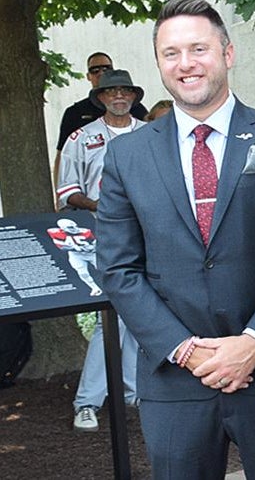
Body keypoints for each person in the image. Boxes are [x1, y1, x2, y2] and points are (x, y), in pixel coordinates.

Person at [97, 0, 255, 479]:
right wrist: (186, 350)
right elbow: (117, 268)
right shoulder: (128, 155)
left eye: (198, 49)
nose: (185, 63)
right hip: (174, 382)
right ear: (159, 64)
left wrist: (254, 341)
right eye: (171, 53)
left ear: (228, 53)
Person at [56, 69, 146, 432]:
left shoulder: (151, 133)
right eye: (112, 92)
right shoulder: (81, 137)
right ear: (101, 98)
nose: (119, 96)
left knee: (138, 314)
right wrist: (100, 205)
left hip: (148, 235)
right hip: (103, 235)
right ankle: (87, 401)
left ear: (134, 97)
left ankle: (132, 391)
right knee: (110, 318)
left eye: (125, 91)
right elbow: (67, 192)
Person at [54, 52, 149, 181]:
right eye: (95, 70)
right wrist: (59, 190)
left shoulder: (137, 109)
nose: (101, 73)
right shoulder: (75, 112)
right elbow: (63, 155)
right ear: (88, 76)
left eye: (106, 69)